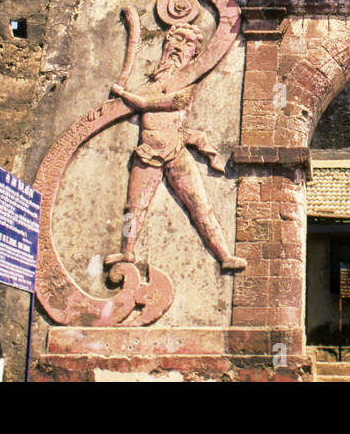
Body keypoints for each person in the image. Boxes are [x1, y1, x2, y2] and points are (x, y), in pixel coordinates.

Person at [105, 23, 246, 271]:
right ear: (166, 43)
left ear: (194, 54)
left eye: (188, 44)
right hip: (147, 152)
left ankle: (224, 255)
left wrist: (124, 94)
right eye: (177, 40)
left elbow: (148, 102)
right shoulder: (152, 83)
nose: (180, 48)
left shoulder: (186, 87)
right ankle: (127, 251)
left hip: (175, 151)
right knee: (134, 207)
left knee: (199, 205)